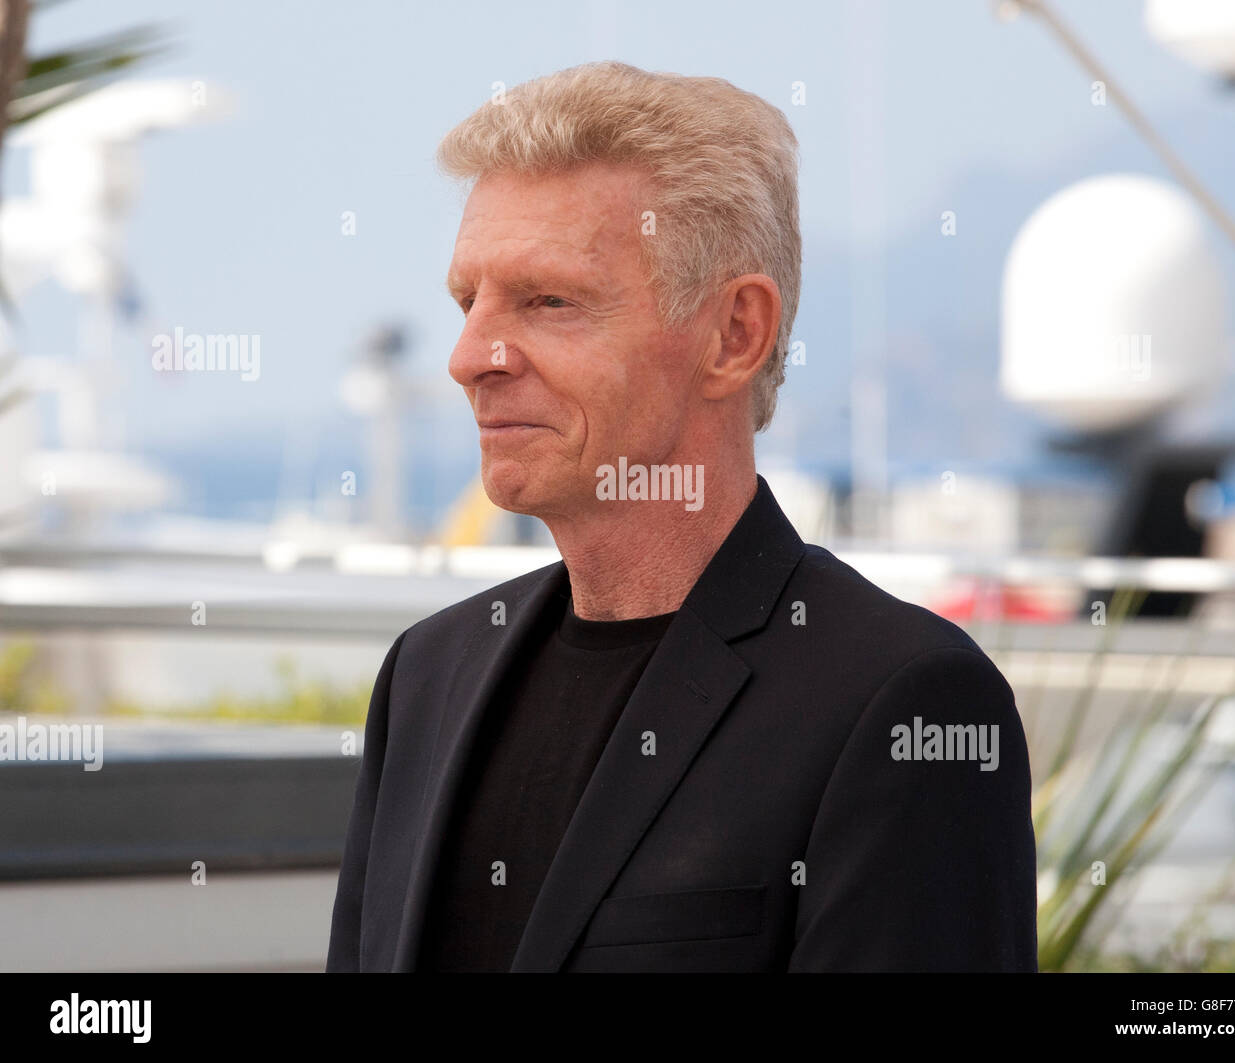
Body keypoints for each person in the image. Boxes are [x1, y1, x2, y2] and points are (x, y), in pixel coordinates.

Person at [326, 60, 1037, 973]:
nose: (471, 357)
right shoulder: (427, 676)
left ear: (735, 334)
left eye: (548, 300)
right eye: (470, 302)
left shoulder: (901, 702)